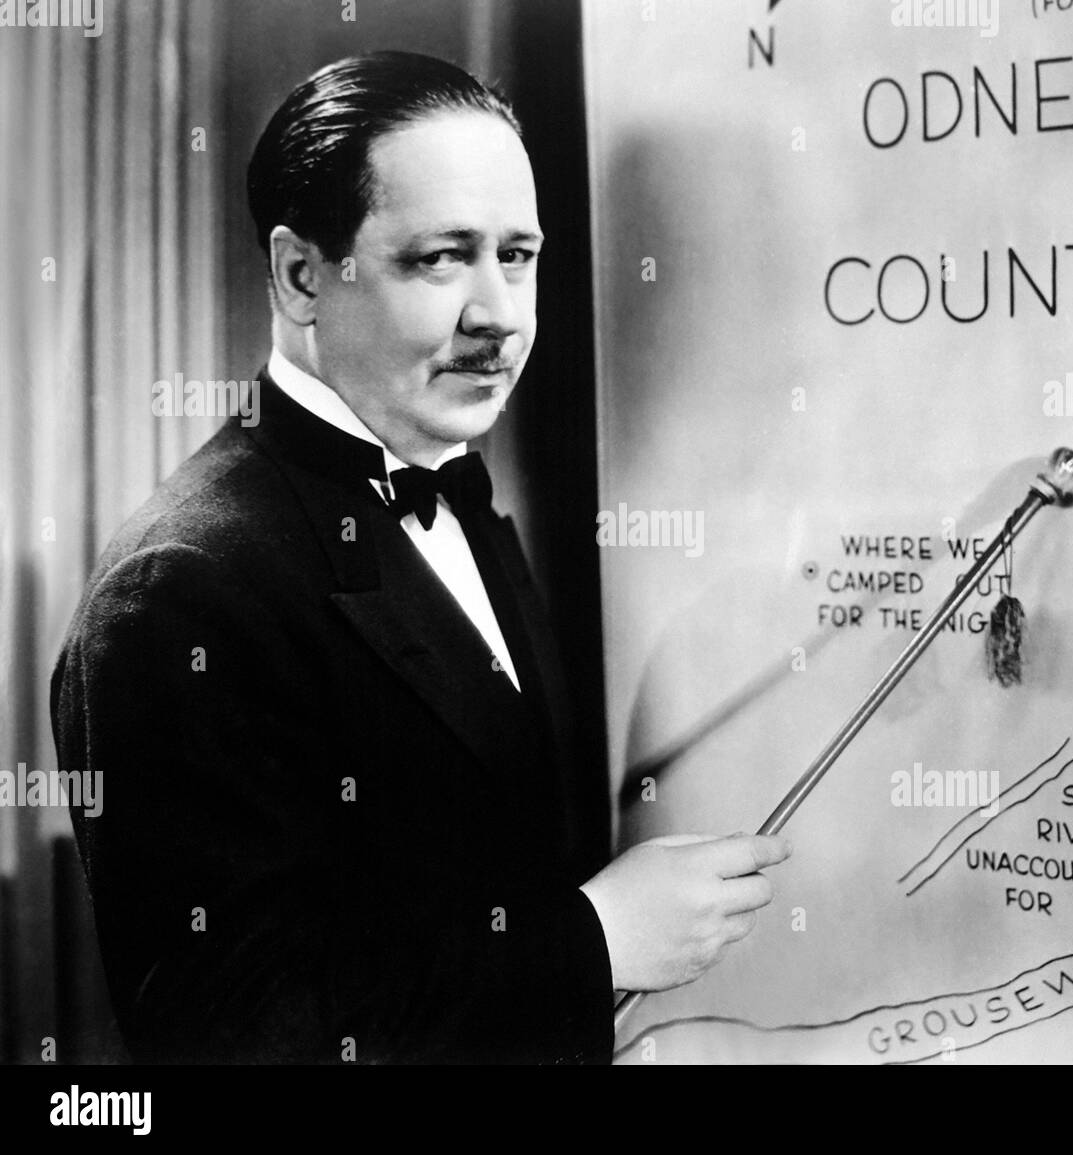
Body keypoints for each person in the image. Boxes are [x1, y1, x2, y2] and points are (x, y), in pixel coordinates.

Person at [50, 50, 792, 1064]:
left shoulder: (457, 483)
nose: (498, 316)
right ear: (301, 275)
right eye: (440, 258)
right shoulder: (179, 593)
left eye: (517, 255)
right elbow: (237, 1039)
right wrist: (598, 940)